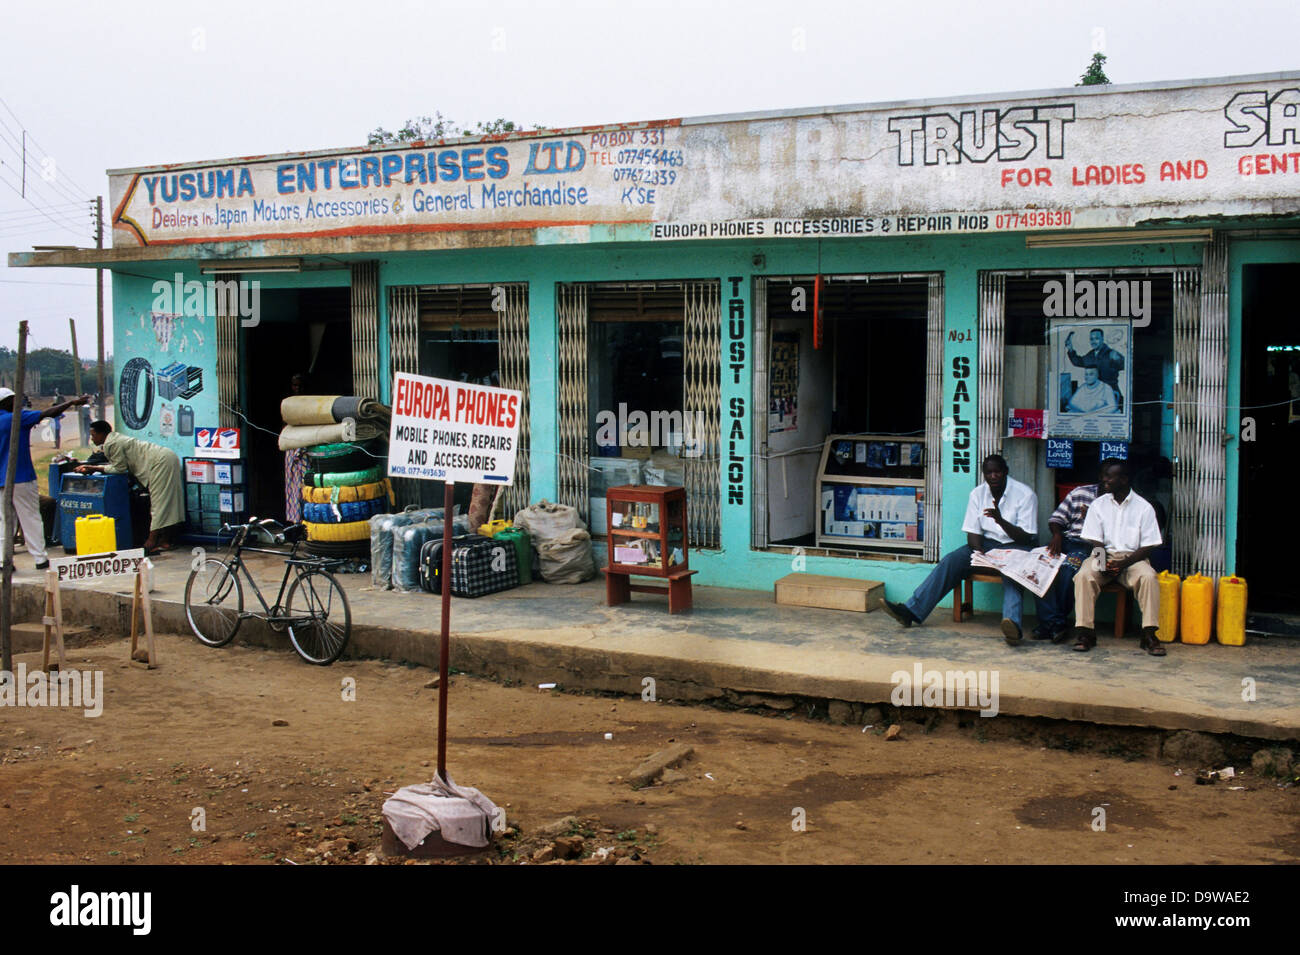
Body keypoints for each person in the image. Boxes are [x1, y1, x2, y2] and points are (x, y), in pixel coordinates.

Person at [882, 454, 1038, 645]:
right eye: (989, 472)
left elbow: (1026, 536)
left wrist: (1000, 520)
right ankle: (910, 611)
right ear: (984, 474)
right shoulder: (978, 494)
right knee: (951, 560)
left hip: (1017, 545)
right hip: (987, 545)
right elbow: (972, 534)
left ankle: (1012, 626)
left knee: (1012, 573)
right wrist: (981, 554)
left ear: (1005, 472)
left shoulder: (1025, 494)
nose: (993, 476)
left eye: (997, 472)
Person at [1071, 459, 1164, 656]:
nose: (1103, 480)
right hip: (1102, 556)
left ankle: (1149, 634)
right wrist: (1104, 563)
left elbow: (1148, 545)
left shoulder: (1143, 507)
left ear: (1124, 479)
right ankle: (1086, 633)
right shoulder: (1098, 505)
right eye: (1103, 475)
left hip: (1133, 559)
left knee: (1148, 577)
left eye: (1108, 476)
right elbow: (1096, 540)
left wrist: (1122, 564)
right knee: (1083, 576)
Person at [0, 388, 90, 570]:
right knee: (30, 517)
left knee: (4, 520)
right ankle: (40, 559)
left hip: (1, 480)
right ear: (5, 403)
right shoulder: (15, 418)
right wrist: (71, 403)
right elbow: (46, 414)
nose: (16, 403)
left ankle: (3, 560)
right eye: (12, 400)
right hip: (21, 477)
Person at [76, 421, 184, 554]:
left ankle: (150, 542)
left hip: (159, 462)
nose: (92, 439)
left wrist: (93, 468)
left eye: (93, 435)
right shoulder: (115, 438)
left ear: (102, 434)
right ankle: (165, 541)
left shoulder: (111, 443)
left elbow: (119, 468)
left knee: (159, 504)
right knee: (168, 502)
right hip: (166, 457)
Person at [1032, 467, 1104, 643]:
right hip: (1066, 540)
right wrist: (1056, 534)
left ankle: (1052, 624)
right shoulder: (1080, 492)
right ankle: (1054, 623)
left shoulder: (1116, 503)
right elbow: (1057, 519)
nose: (1108, 482)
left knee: (1067, 569)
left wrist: (1095, 519)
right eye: (1105, 477)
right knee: (1037, 568)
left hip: (1090, 546)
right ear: (1100, 477)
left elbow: (1110, 541)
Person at [1066, 328, 1125, 393]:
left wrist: (1119, 359)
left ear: (1102, 339)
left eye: (1096, 338)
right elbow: (1078, 362)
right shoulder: (1090, 355)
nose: (1093, 342)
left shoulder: (1111, 354)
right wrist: (1070, 349)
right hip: (1096, 394)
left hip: (1112, 393)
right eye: (1091, 339)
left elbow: (1124, 365)